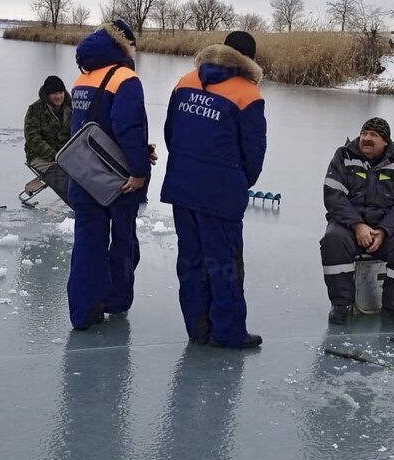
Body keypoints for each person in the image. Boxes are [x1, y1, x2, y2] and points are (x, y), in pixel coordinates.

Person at [161, 31, 267, 349]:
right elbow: (254, 152)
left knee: (191, 260)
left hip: (182, 186)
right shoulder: (247, 94)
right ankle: (229, 332)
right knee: (224, 263)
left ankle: (198, 328)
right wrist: (238, 181)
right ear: (249, 60)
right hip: (220, 193)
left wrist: (186, 165)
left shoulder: (186, 81)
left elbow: (170, 132)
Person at [66, 18, 156, 331]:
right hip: (118, 182)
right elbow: (126, 128)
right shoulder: (125, 78)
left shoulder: (83, 78)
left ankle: (83, 312)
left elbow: (86, 130)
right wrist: (139, 170)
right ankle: (116, 301)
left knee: (87, 246)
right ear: (126, 45)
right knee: (123, 242)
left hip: (84, 175)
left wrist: (140, 150)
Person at [320, 117, 394, 326]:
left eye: (373, 135)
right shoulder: (343, 156)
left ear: (385, 141)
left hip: (386, 230)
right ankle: (341, 305)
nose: (366, 138)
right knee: (333, 240)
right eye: (364, 133)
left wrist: (384, 230)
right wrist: (358, 225)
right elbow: (333, 195)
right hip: (348, 226)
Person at [24, 75, 73, 206]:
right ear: (47, 95)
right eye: (54, 94)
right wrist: (55, 156)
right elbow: (33, 139)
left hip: (66, 154)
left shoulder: (71, 106)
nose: (58, 96)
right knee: (60, 177)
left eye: (60, 92)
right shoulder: (35, 110)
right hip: (39, 156)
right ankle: (79, 208)